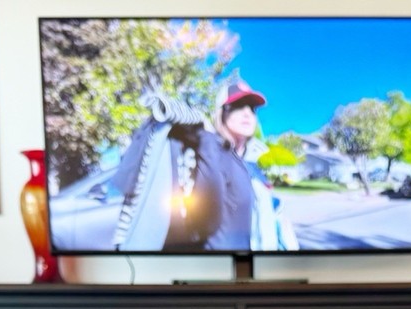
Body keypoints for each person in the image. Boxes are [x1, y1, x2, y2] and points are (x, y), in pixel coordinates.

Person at [111, 75, 297, 253]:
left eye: (252, 108)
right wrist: (206, 140)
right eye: (239, 106)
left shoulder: (248, 164)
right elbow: (206, 222)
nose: (248, 113)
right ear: (221, 112)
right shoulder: (213, 151)